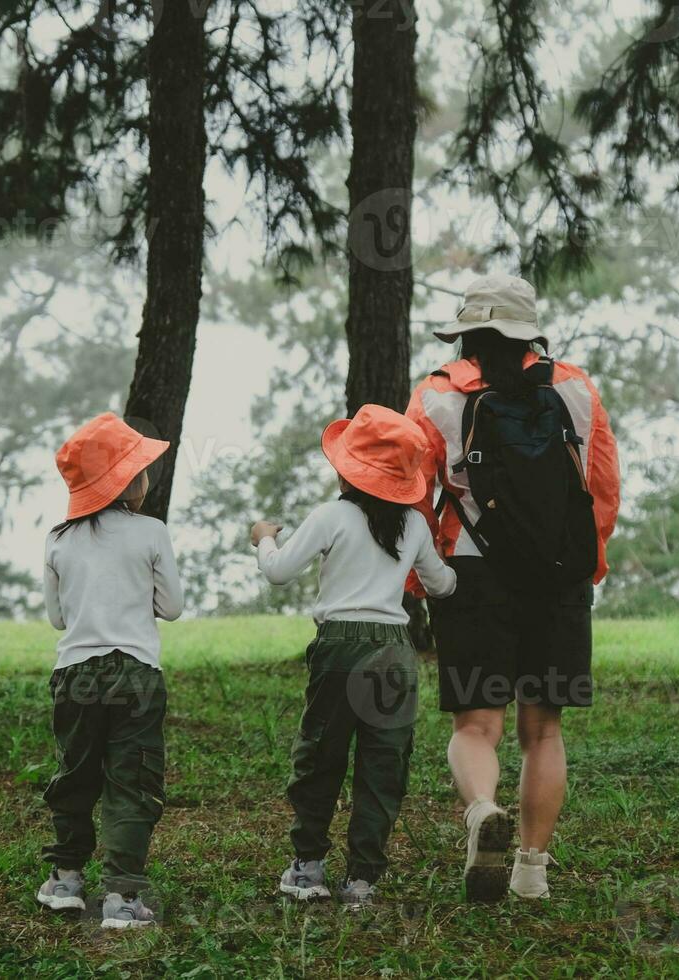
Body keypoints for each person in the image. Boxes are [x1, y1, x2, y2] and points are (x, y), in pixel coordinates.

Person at [406, 273, 620, 901]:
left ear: (468, 334)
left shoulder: (436, 395)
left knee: (476, 725)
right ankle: (531, 871)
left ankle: (481, 810)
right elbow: (601, 486)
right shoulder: (575, 388)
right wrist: (587, 565)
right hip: (559, 574)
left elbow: (413, 493)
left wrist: (421, 580)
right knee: (543, 729)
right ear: (529, 332)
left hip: (472, 571)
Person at [251, 403, 457, 908]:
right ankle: (363, 878)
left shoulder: (331, 516)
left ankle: (307, 867)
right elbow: (442, 585)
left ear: (347, 470)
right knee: (384, 762)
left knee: (321, 752)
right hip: (394, 650)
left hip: (340, 645)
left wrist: (264, 539)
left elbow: (278, 572)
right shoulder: (413, 524)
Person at [36, 412, 184, 929]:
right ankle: (122, 897)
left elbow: (58, 619)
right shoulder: (152, 532)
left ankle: (65, 880)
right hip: (136, 675)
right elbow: (172, 607)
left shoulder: (58, 539)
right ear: (128, 480)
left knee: (75, 774)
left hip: (75, 673)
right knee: (132, 782)